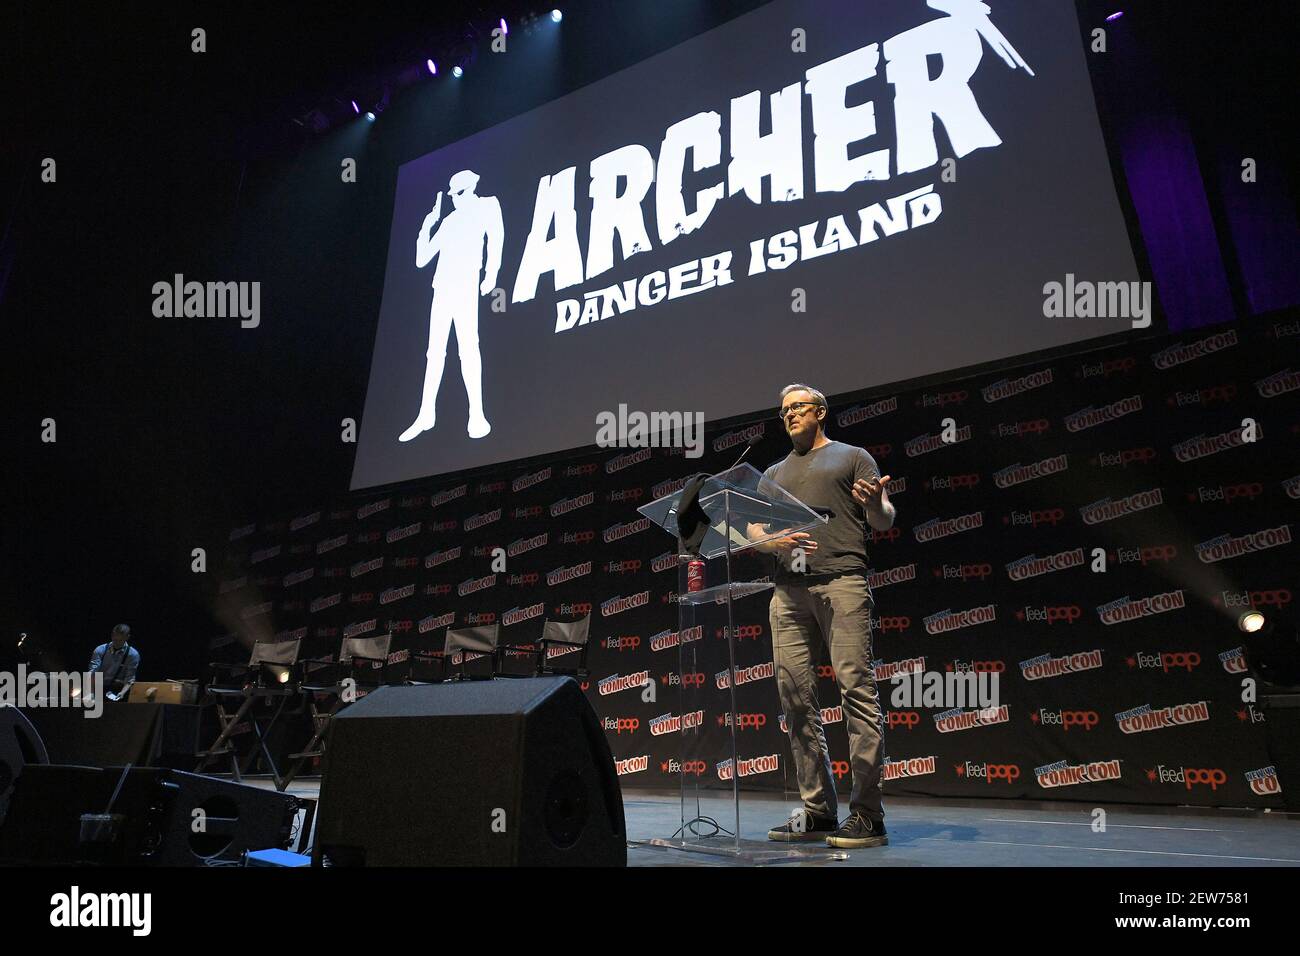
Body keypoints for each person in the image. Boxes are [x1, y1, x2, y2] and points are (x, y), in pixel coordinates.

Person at [750, 384, 895, 849]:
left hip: (841, 584)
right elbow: (752, 526)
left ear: (820, 411)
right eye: (784, 410)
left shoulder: (853, 457)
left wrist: (874, 503)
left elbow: (885, 518)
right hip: (787, 592)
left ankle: (868, 815)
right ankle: (818, 811)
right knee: (795, 700)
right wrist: (771, 542)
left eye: (798, 407)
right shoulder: (772, 472)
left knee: (856, 690)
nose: (790, 414)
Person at [400, 169, 504, 443]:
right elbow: (422, 259)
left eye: (457, 193)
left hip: (466, 286)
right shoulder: (448, 220)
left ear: (470, 189)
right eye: (452, 195)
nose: (453, 199)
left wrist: (491, 274)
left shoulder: (487, 205)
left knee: (468, 348)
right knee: (434, 352)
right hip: (442, 289)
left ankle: (477, 414)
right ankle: (426, 414)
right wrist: (428, 224)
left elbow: (497, 238)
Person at [89, 623, 140, 701]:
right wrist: (91, 693)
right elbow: (93, 673)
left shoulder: (133, 654)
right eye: (115, 640)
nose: (117, 643)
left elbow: (130, 678)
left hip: (117, 689)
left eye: (121, 640)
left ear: (127, 637)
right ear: (112, 635)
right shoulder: (100, 650)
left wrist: (122, 693)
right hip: (98, 687)